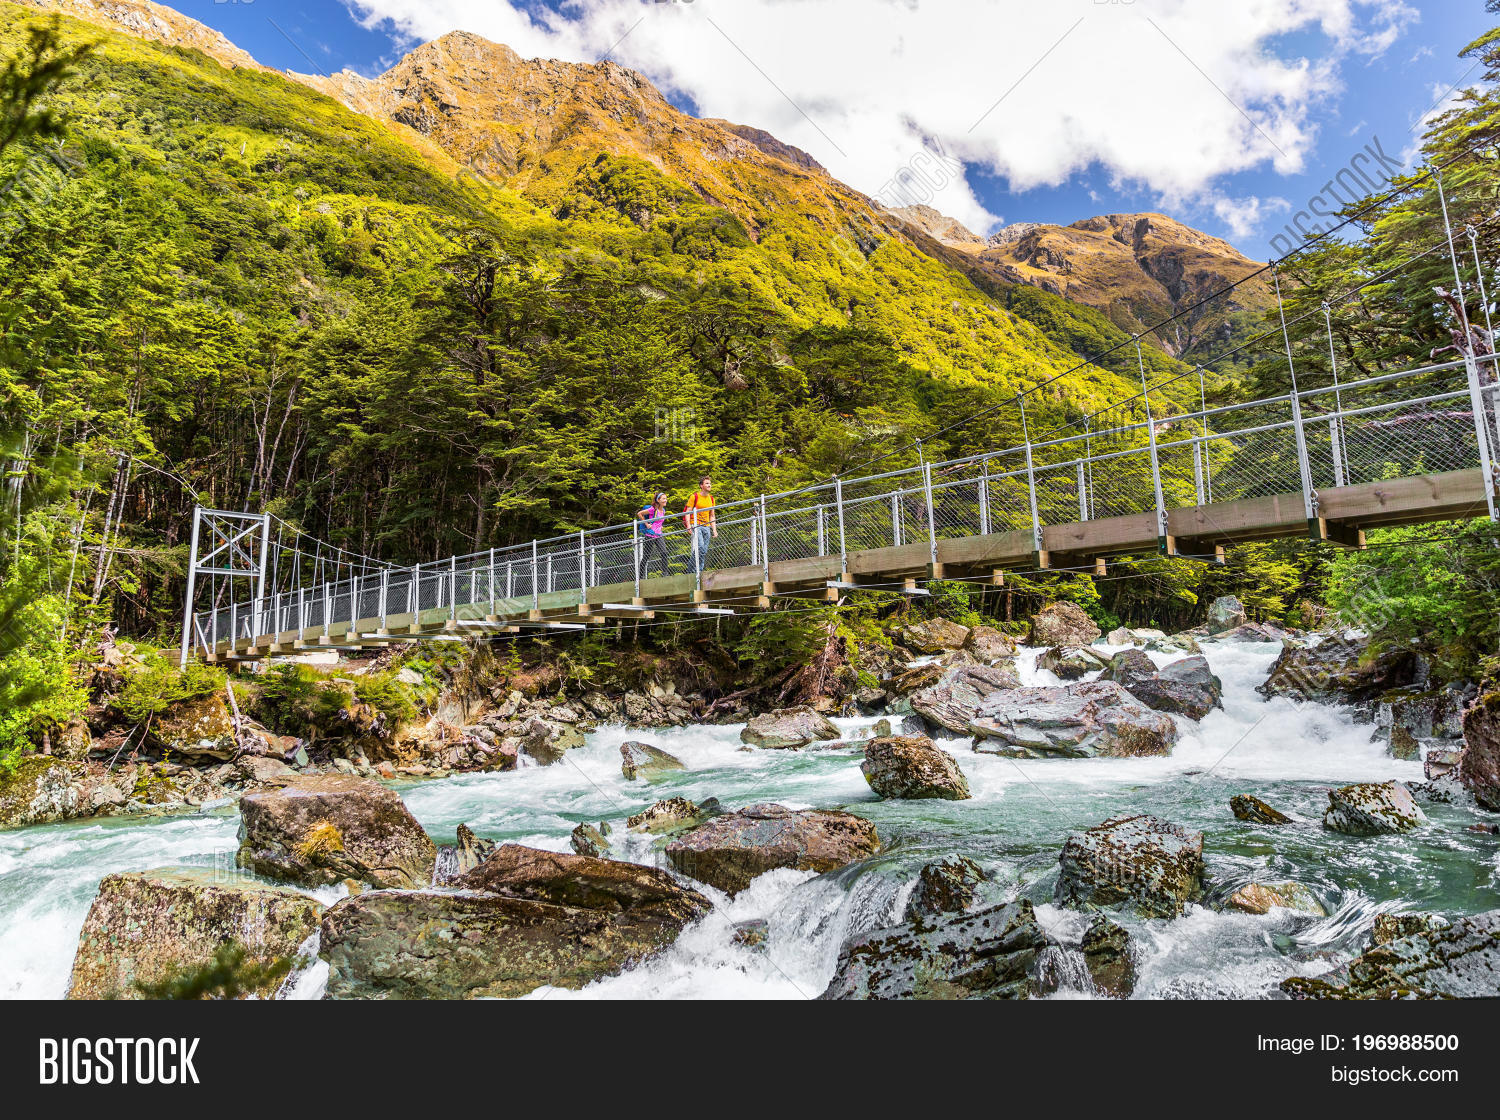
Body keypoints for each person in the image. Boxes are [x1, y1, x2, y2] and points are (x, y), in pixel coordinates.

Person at [683, 475, 717, 573]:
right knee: (701, 547)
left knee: (703, 551)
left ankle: (692, 570)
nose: (709, 485)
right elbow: (688, 512)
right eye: (707, 483)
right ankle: (697, 571)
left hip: (707, 526)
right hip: (696, 524)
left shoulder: (711, 499)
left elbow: (712, 515)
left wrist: (714, 529)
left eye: (710, 483)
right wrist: (688, 526)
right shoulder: (694, 496)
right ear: (701, 485)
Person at [636, 491, 671, 579]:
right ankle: (640, 576)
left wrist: (660, 526)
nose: (665, 500)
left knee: (664, 553)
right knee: (646, 556)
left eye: (666, 499)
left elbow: (658, 521)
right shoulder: (653, 509)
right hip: (650, 535)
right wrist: (646, 524)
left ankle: (665, 573)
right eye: (663, 499)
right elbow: (639, 513)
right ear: (658, 500)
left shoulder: (663, 510)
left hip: (659, 535)